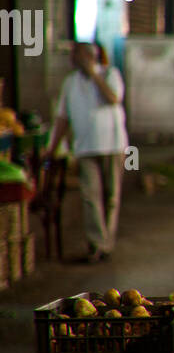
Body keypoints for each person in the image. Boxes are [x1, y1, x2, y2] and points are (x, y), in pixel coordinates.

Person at [44, 41, 128, 262]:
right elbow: (63, 117)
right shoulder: (70, 83)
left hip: (113, 145)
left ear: (91, 57)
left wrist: (94, 75)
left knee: (111, 196)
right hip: (85, 148)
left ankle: (106, 243)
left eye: (78, 55)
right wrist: (52, 147)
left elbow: (113, 98)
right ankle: (97, 244)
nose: (73, 59)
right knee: (91, 196)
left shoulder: (110, 73)